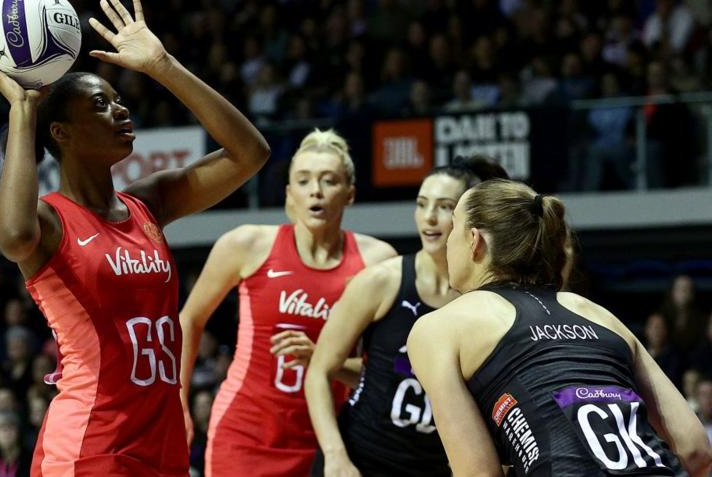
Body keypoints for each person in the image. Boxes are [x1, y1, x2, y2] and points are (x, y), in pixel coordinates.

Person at [0, 0, 269, 477]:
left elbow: (249, 154)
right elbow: (11, 237)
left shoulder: (146, 204)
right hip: (91, 446)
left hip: (162, 445)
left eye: (118, 100)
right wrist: (22, 109)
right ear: (62, 134)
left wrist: (161, 64)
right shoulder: (49, 221)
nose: (120, 110)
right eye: (100, 104)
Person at [408, 179, 712, 476]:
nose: (447, 240)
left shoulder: (439, 327)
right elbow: (696, 450)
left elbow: (478, 472)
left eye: (454, 227)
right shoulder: (595, 312)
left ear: (474, 240)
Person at [179, 129, 396, 476]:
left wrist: (323, 360)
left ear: (350, 194)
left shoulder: (378, 261)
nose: (316, 191)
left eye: (329, 181)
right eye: (304, 180)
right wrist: (179, 404)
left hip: (329, 441)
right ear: (289, 193)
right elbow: (189, 320)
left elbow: (385, 373)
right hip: (244, 435)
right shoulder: (246, 244)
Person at [305, 157, 508, 477]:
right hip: (362, 459)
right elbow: (319, 371)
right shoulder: (381, 281)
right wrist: (335, 457)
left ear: (468, 218)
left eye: (444, 207)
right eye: (421, 204)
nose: (428, 217)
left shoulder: (485, 300)